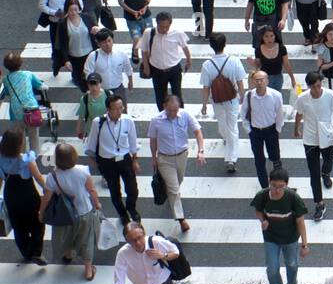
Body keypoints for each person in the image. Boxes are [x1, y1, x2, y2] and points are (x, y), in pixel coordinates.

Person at [37, 144, 101, 280]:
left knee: (66, 236)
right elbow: (92, 190)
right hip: (84, 211)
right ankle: (88, 270)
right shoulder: (83, 171)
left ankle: (67, 254)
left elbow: (46, 198)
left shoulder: (52, 176)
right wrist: (97, 203)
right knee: (86, 239)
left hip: (64, 214)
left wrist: (41, 213)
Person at [252, 167, 310, 284]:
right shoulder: (262, 196)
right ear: (269, 182)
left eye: (281, 187)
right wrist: (263, 221)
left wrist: (304, 245)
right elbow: (258, 211)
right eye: (273, 186)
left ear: (286, 185)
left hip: (290, 238)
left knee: (292, 264)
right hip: (271, 237)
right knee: (272, 269)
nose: (277, 190)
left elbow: (300, 221)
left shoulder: (293, 198)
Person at [294, 71, 333, 222]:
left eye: (318, 85)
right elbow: (299, 113)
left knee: (328, 160)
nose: (317, 89)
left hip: (327, 135)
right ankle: (319, 203)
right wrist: (296, 128)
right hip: (310, 138)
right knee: (313, 172)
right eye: (313, 87)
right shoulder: (303, 98)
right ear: (309, 86)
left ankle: (326, 173)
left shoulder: (330, 95)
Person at [148, 95, 205, 233]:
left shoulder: (185, 115)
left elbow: (198, 132)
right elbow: (153, 140)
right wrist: (153, 157)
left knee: (178, 180)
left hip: (182, 155)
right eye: (170, 110)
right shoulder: (156, 121)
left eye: (175, 110)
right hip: (165, 159)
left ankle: (172, 198)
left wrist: (201, 150)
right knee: (174, 189)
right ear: (164, 107)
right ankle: (181, 219)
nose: (173, 113)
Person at [84, 94, 139, 226]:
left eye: (122, 107)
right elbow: (91, 143)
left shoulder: (128, 121)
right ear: (108, 109)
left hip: (125, 159)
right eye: (117, 108)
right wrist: (92, 158)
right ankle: (123, 214)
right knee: (115, 191)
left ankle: (131, 208)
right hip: (107, 162)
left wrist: (135, 160)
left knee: (133, 189)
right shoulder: (98, 122)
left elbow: (133, 142)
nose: (120, 111)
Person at [199, 33, 246, 174]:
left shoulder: (207, 65)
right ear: (224, 44)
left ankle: (226, 139)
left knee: (222, 123)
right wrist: (243, 97)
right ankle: (230, 159)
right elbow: (240, 82)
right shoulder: (234, 61)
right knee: (233, 127)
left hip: (216, 100)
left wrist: (204, 105)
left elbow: (206, 87)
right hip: (232, 99)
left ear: (211, 46)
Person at [0, 129, 47, 265]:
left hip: (11, 194)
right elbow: (38, 177)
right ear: (19, 145)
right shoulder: (27, 159)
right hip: (28, 195)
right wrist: (48, 190)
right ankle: (37, 252)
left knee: (18, 226)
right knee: (38, 223)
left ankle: (26, 253)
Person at [113, 222, 181, 284]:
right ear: (127, 241)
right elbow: (119, 280)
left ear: (144, 234)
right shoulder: (123, 253)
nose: (138, 243)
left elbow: (176, 252)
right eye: (132, 240)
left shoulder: (157, 242)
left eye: (139, 238)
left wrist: (163, 255)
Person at [241, 70, 285, 190]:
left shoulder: (275, 95)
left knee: (275, 158)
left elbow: (280, 114)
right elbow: (243, 113)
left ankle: (279, 183)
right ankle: (265, 188)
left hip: (271, 130)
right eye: (257, 80)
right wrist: (248, 130)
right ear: (253, 82)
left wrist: (278, 129)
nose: (260, 82)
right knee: (259, 161)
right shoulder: (249, 95)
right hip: (255, 132)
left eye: (262, 80)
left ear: (267, 81)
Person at [140, 12, 192, 111]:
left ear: (170, 25)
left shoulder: (177, 33)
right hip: (157, 70)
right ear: (156, 24)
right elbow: (144, 50)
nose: (164, 29)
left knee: (177, 95)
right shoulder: (149, 33)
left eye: (166, 27)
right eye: (161, 27)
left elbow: (185, 47)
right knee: (160, 97)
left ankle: (180, 116)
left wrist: (189, 60)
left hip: (174, 69)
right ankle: (163, 117)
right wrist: (146, 67)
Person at [38, 0, 83, 72]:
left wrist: (70, 13)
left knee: (71, 45)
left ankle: (71, 65)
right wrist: (54, 12)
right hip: (55, 23)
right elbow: (41, 5)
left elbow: (81, 7)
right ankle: (57, 63)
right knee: (56, 45)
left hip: (69, 23)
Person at [1, 52, 46, 154]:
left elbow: (4, 93)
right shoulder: (28, 74)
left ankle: (21, 155)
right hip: (32, 109)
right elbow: (40, 85)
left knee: (19, 137)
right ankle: (34, 156)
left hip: (16, 113)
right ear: (20, 63)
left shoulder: (6, 79)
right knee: (33, 135)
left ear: (6, 66)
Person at [114, 0, 153, 64]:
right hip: (131, 18)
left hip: (145, 14)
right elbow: (120, 1)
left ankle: (149, 57)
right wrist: (132, 11)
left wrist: (145, 6)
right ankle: (135, 52)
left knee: (149, 36)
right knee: (136, 38)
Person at [84, 30, 133, 105]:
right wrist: (93, 88)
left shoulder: (121, 54)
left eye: (109, 41)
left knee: (122, 110)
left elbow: (128, 68)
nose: (107, 44)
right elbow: (88, 73)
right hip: (101, 90)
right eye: (104, 42)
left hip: (118, 88)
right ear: (98, 44)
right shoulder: (93, 56)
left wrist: (130, 82)